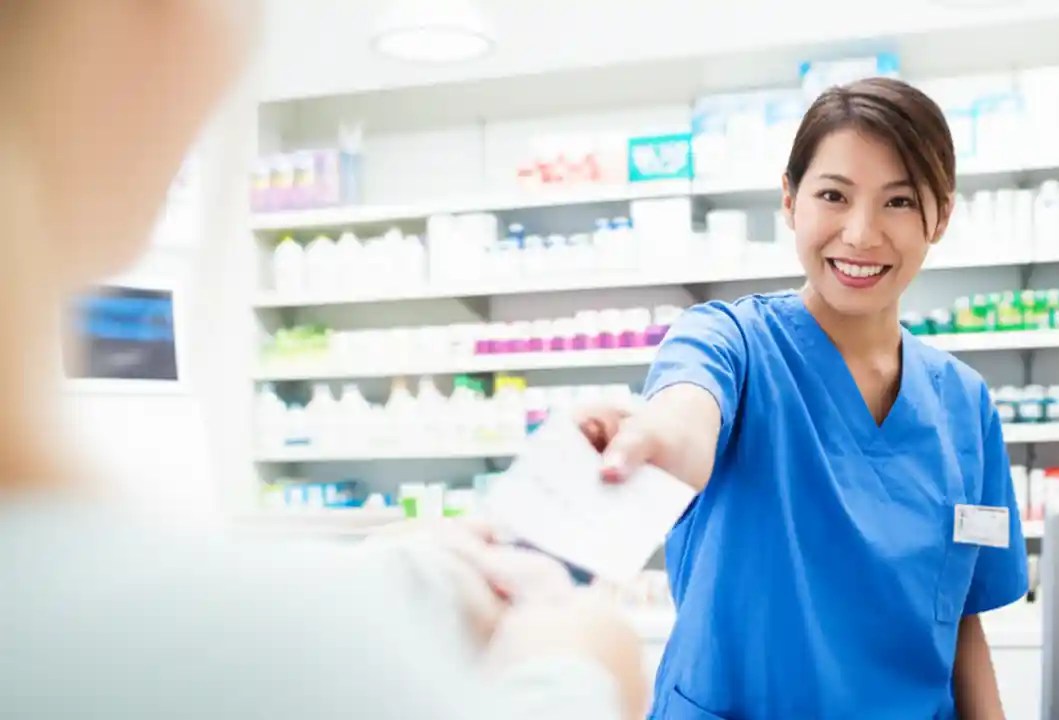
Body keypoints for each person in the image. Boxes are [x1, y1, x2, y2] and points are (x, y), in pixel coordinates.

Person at [0, 3, 644, 718]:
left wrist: (415, 570)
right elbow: (249, 642)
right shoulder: (278, 650)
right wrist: (580, 671)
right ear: (146, 23)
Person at [579, 77, 1028, 719]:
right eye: (833, 195)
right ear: (790, 201)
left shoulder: (964, 403)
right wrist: (659, 440)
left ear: (942, 216)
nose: (862, 233)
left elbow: (961, 620)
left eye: (899, 201)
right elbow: (687, 409)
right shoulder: (731, 340)